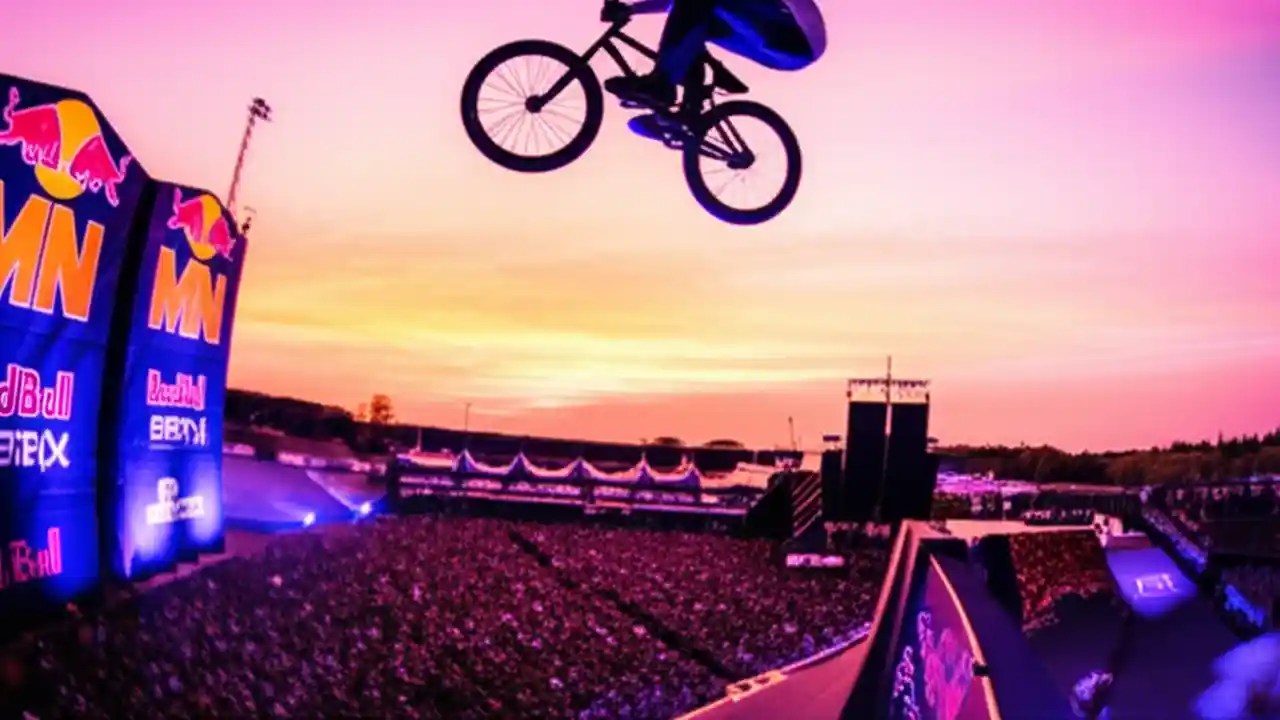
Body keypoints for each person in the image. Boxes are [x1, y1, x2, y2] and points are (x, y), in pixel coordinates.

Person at [603, 0, 827, 109]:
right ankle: (690, 106)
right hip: (779, 50)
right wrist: (632, 10)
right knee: (699, 22)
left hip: (795, 39)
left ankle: (661, 84)